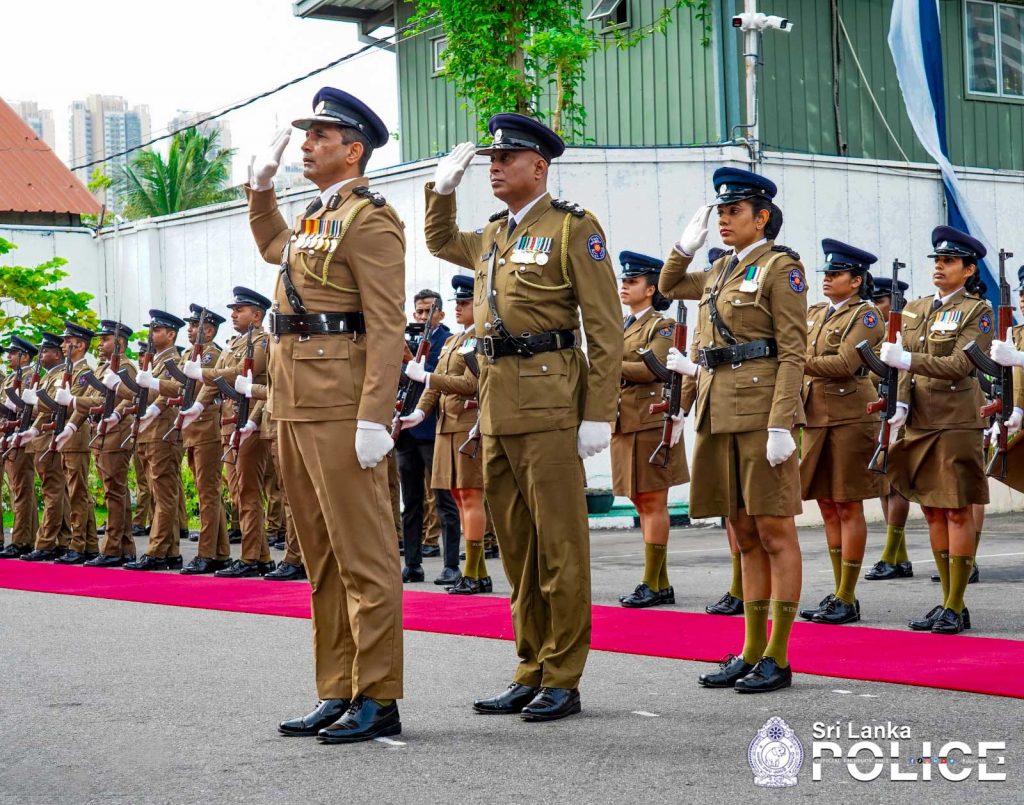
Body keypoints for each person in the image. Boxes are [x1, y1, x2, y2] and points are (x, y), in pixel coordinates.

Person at [424, 114, 622, 721]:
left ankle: (564, 674)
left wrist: (598, 413)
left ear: (538, 165)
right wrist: (440, 190)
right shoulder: (491, 235)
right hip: (496, 405)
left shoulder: (570, 228)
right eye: (490, 159)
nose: (494, 166)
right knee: (517, 548)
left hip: (550, 400)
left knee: (560, 546)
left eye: (505, 158)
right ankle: (529, 664)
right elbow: (438, 241)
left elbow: (606, 327)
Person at [246, 87, 405, 743]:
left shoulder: (371, 218)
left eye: (320, 135)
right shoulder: (317, 215)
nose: (307, 144)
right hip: (294, 399)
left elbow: (389, 324)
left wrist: (375, 415)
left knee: (363, 556)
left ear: (353, 149)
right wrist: (260, 190)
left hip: (341, 404)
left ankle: (380, 694)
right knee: (321, 558)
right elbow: (273, 247)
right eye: (306, 135)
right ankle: (337, 687)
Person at [660, 167, 806, 693]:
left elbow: (793, 351)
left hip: (761, 412)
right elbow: (669, 286)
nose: (723, 220)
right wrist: (683, 245)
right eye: (720, 212)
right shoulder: (720, 269)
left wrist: (781, 423)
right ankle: (748, 651)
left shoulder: (780, 267)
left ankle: (779, 655)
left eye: (733, 212)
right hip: (718, 410)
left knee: (773, 532)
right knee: (740, 534)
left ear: (761, 216)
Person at [882, 226, 992, 634]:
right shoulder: (916, 307)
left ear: (968, 269)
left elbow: (962, 366)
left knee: (957, 509)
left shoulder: (976, 311)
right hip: (921, 420)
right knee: (931, 509)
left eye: (948, 262)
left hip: (956, 420)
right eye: (937, 261)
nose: (940, 267)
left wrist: (908, 360)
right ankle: (948, 601)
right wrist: (903, 402)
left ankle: (956, 602)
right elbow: (901, 366)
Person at [797, 241, 886, 624]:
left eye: (836, 274)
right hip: (817, 416)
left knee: (848, 503)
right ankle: (838, 592)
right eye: (826, 274)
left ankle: (848, 595)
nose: (828, 280)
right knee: (827, 504)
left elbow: (846, 363)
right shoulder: (817, 313)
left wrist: (795, 361)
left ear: (856, 280)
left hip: (851, 418)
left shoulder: (866, 317)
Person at [400, 274, 490, 594]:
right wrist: (419, 412)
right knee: (456, 496)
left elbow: (470, 384)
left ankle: (470, 569)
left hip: (466, 427)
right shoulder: (454, 342)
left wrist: (427, 378)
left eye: (465, 303)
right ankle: (472, 571)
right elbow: (434, 384)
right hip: (444, 427)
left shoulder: (479, 339)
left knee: (467, 497)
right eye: (458, 303)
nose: (459, 308)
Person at [179, 288, 275, 578]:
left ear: (256, 315)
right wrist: (198, 404)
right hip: (230, 420)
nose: (234, 314)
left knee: (247, 491)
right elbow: (218, 378)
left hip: (251, 419)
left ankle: (250, 557)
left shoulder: (263, 342)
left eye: (240, 310)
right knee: (237, 491)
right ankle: (259, 556)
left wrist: (203, 375)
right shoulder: (235, 342)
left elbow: (240, 372)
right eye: (234, 310)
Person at [612, 251, 687, 608]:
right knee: (637, 498)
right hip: (625, 420)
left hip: (649, 418)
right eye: (623, 281)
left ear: (651, 288)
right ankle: (661, 580)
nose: (624, 286)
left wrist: (608, 362)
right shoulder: (623, 325)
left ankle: (652, 582)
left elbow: (655, 368)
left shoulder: (662, 325)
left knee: (652, 499)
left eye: (632, 281)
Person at [141, 305, 232, 574]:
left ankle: (208, 553)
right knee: (207, 493)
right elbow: (180, 385)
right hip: (192, 431)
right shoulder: (188, 357)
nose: (189, 330)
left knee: (208, 494)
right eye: (189, 326)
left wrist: (156, 387)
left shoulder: (213, 354)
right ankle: (220, 552)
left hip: (207, 430)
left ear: (209, 329)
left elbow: (205, 386)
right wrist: (156, 393)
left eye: (194, 326)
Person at [397, 289, 462, 585]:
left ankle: (450, 564)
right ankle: (412, 563)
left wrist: (413, 360)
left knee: (443, 499)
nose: (423, 317)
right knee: (411, 502)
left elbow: (438, 379)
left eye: (429, 311)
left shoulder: (448, 342)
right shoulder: (408, 341)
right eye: (419, 312)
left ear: (440, 314)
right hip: (407, 431)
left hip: (433, 427)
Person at [66, 321, 138, 567]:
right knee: (116, 492)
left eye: (105, 339)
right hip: (103, 434)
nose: (100, 344)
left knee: (114, 492)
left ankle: (112, 548)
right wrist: (72, 425)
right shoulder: (102, 369)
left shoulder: (126, 366)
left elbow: (130, 397)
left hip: (116, 434)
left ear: (119, 342)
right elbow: (92, 398)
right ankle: (125, 547)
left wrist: (115, 414)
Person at [120, 310, 188, 571]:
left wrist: (154, 382)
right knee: (159, 493)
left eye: (157, 329)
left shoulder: (175, 360)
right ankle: (170, 552)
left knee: (164, 494)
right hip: (150, 433)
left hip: (163, 433)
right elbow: (143, 397)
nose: (151, 333)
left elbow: (180, 388)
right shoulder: (155, 361)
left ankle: (157, 550)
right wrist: (121, 387)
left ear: (171, 335)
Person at [863, 275, 915, 581]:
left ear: (895, 302)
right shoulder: (875, 327)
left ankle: (891, 554)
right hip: (879, 407)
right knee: (884, 481)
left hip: (903, 409)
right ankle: (898, 554)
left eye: (880, 301)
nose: (875, 307)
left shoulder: (907, 325)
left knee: (896, 482)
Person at [45, 322, 100, 565]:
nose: (64, 345)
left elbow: (76, 405)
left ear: (80, 345)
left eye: (68, 341)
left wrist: (69, 426)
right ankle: (88, 544)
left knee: (78, 492)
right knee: (74, 491)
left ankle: (79, 544)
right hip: (67, 436)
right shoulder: (67, 371)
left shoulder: (84, 372)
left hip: (76, 436)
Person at [18, 333, 74, 561]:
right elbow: (39, 411)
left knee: (53, 492)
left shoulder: (62, 375)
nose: (41, 355)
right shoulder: (46, 377)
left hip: (51, 438)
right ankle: (62, 539)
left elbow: (53, 407)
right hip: (40, 439)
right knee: (53, 491)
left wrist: (33, 404)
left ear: (58, 354)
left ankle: (46, 542)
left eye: (46, 351)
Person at [0, 337, 41, 558]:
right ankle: (28, 536)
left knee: (21, 490)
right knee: (19, 489)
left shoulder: (29, 378)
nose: (8, 357)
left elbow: (33, 409)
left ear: (25, 356)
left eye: (13, 353)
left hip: (20, 438)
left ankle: (21, 540)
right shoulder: (10, 378)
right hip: (6, 437)